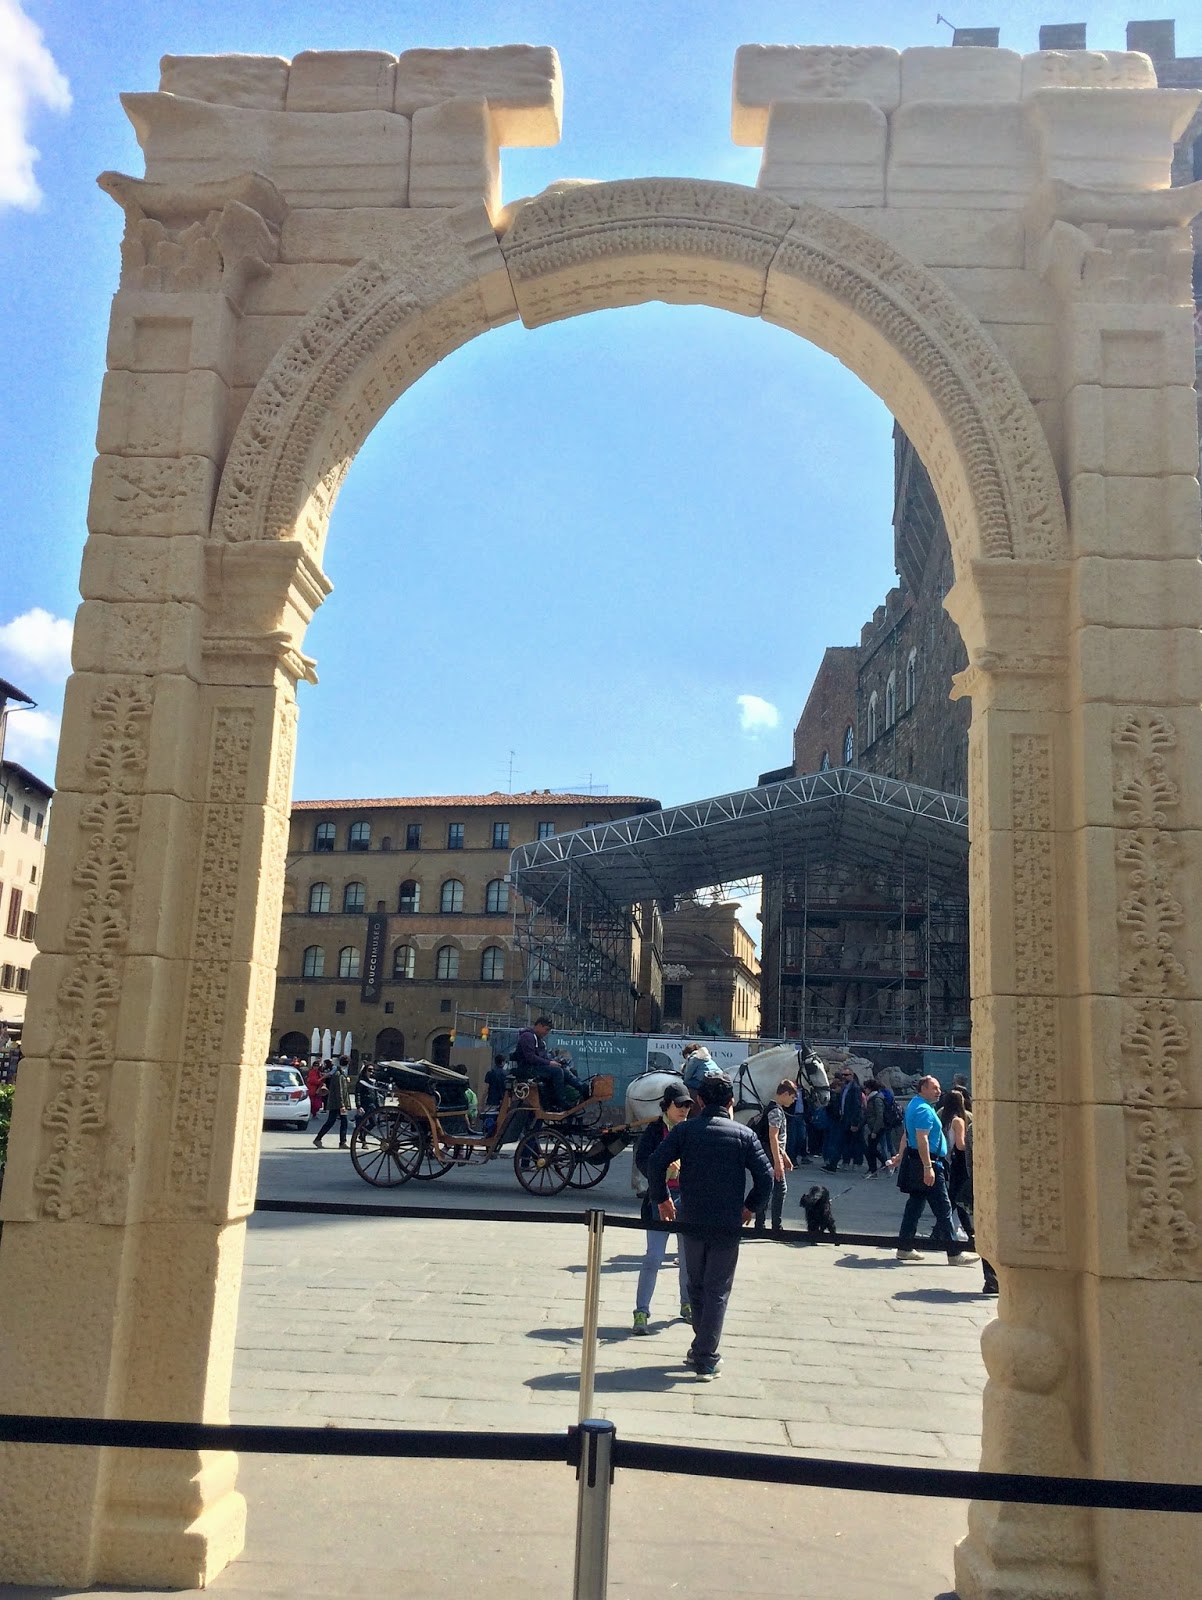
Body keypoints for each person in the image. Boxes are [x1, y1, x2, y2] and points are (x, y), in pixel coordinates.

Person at [646, 1072, 773, 1381]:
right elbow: (766, 1177)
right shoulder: (744, 1135)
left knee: (696, 1285)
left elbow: (654, 1163)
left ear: (700, 1100)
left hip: (691, 1217)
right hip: (727, 1222)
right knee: (717, 1288)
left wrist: (662, 1199)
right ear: (731, 1102)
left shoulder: (686, 1131)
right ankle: (706, 1355)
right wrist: (750, 1207)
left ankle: (701, 1346)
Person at [886, 1075, 979, 1267]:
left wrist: (899, 1156)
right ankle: (954, 1253)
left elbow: (907, 1135)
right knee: (944, 1208)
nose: (939, 1091)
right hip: (928, 1163)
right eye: (934, 1088)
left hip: (918, 1161)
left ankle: (904, 1246)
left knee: (915, 1205)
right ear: (923, 1089)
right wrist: (928, 1167)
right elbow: (923, 1140)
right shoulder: (923, 1110)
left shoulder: (916, 1105)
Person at [631, 1082, 693, 1333]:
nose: (684, 1110)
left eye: (688, 1105)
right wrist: (663, 1169)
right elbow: (643, 1159)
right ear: (666, 1106)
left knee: (688, 1257)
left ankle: (687, 1304)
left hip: (686, 1198)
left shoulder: (691, 1130)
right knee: (653, 1258)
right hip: (660, 1196)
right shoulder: (655, 1130)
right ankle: (641, 1312)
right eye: (679, 1105)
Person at [752, 1079, 797, 1232]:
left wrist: (785, 1157)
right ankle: (775, 1225)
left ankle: (760, 1224)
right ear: (784, 1094)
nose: (793, 1101)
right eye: (792, 1097)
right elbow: (773, 1137)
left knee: (767, 1188)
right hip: (771, 1155)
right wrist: (778, 1162)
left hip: (768, 1153)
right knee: (779, 1189)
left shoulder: (769, 1108)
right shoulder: (776, 1111)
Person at [512, 1017, 580, 1110]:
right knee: (557, 1072)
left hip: (535, 1067)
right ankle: (561, 1101)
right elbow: (530, 1057)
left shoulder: (539, 1040)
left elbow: (542, 1057)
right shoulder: (527, 1036)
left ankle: (582, 1088)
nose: (546, 1032)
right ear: (539, 1025)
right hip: (528, 1068)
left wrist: (555, 1062)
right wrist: (549, 1063)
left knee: (564, 1070)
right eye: (546, 1029)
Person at [313, 1056, 351, 1148]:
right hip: (338, 1103)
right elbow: (340, 1090)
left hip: (336, 1102)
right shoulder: (339, 1074)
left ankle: (319, 1139)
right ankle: (342, 1142)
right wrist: (342, 1104)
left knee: (332, 1121)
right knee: (342, 1121)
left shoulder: (340, 1073)